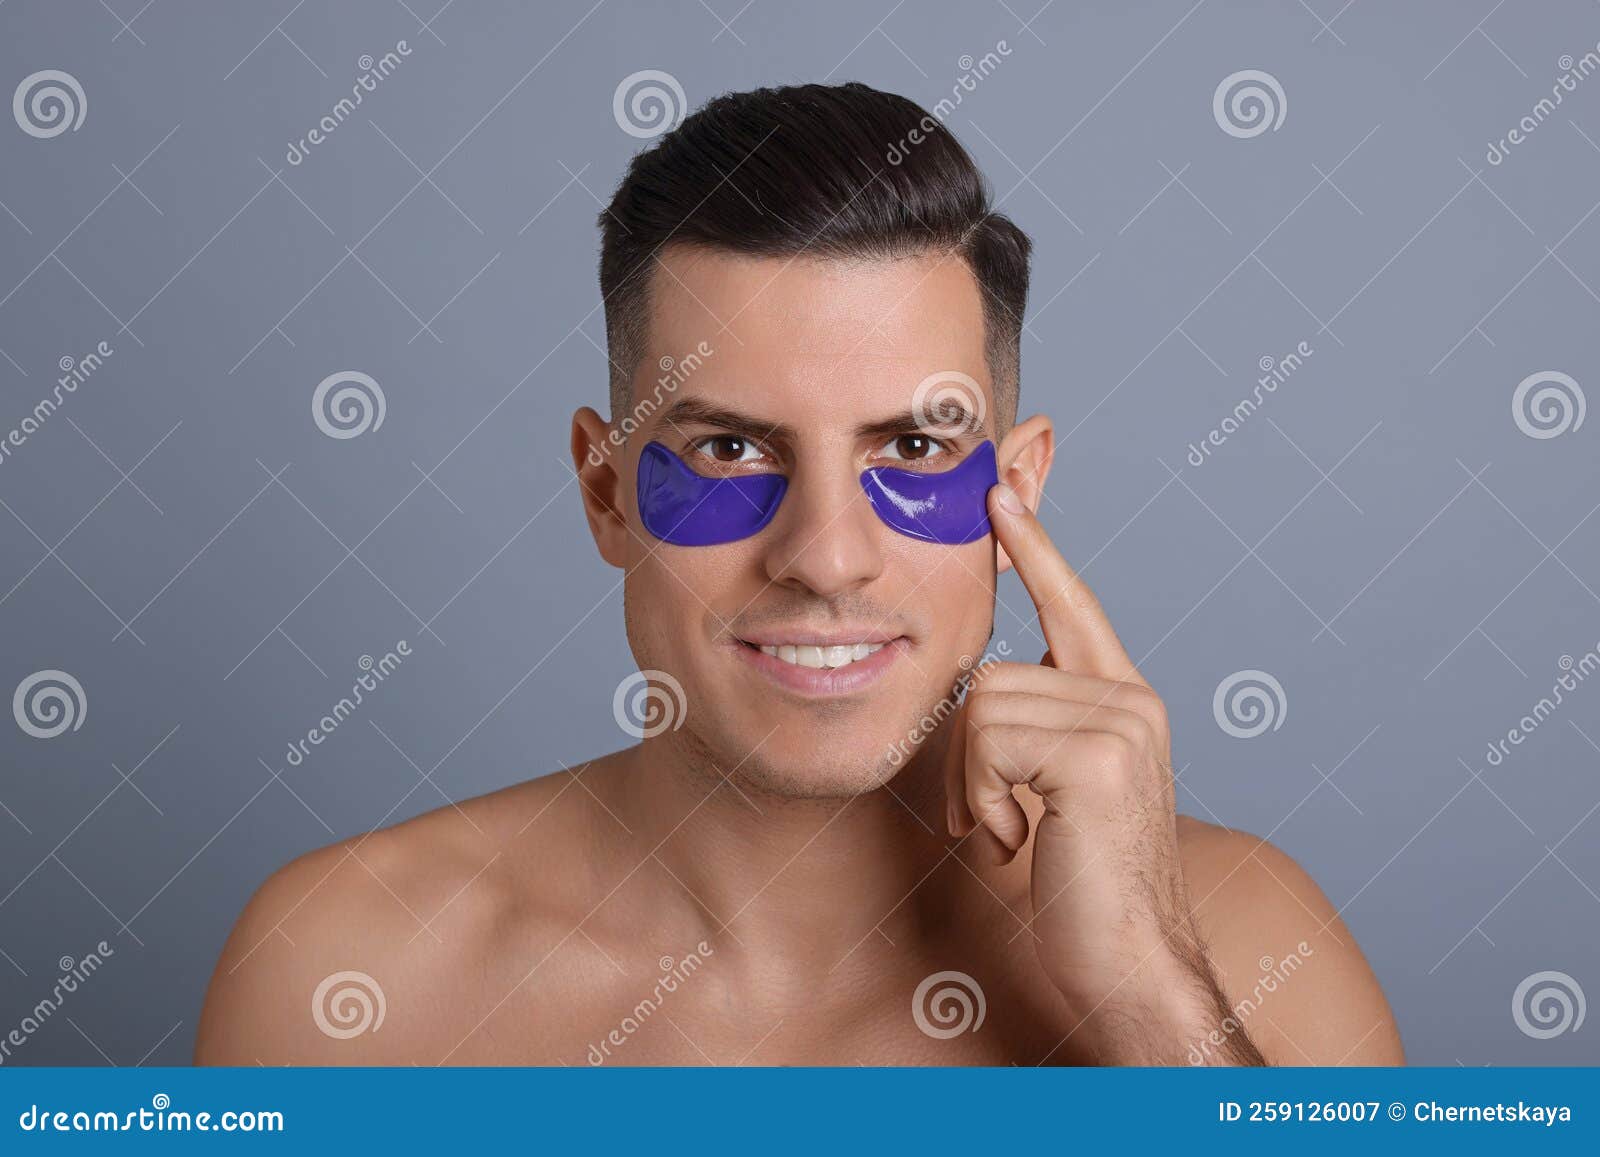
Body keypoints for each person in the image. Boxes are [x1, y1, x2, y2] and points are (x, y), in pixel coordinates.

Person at [196, 83, 1402, 1066]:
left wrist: (1146, 998)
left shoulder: (1241, 945)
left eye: (913, 448)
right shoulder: (350, 970)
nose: (824, 557)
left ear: (1014, 492)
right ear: (606, 492)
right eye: (730, 447)